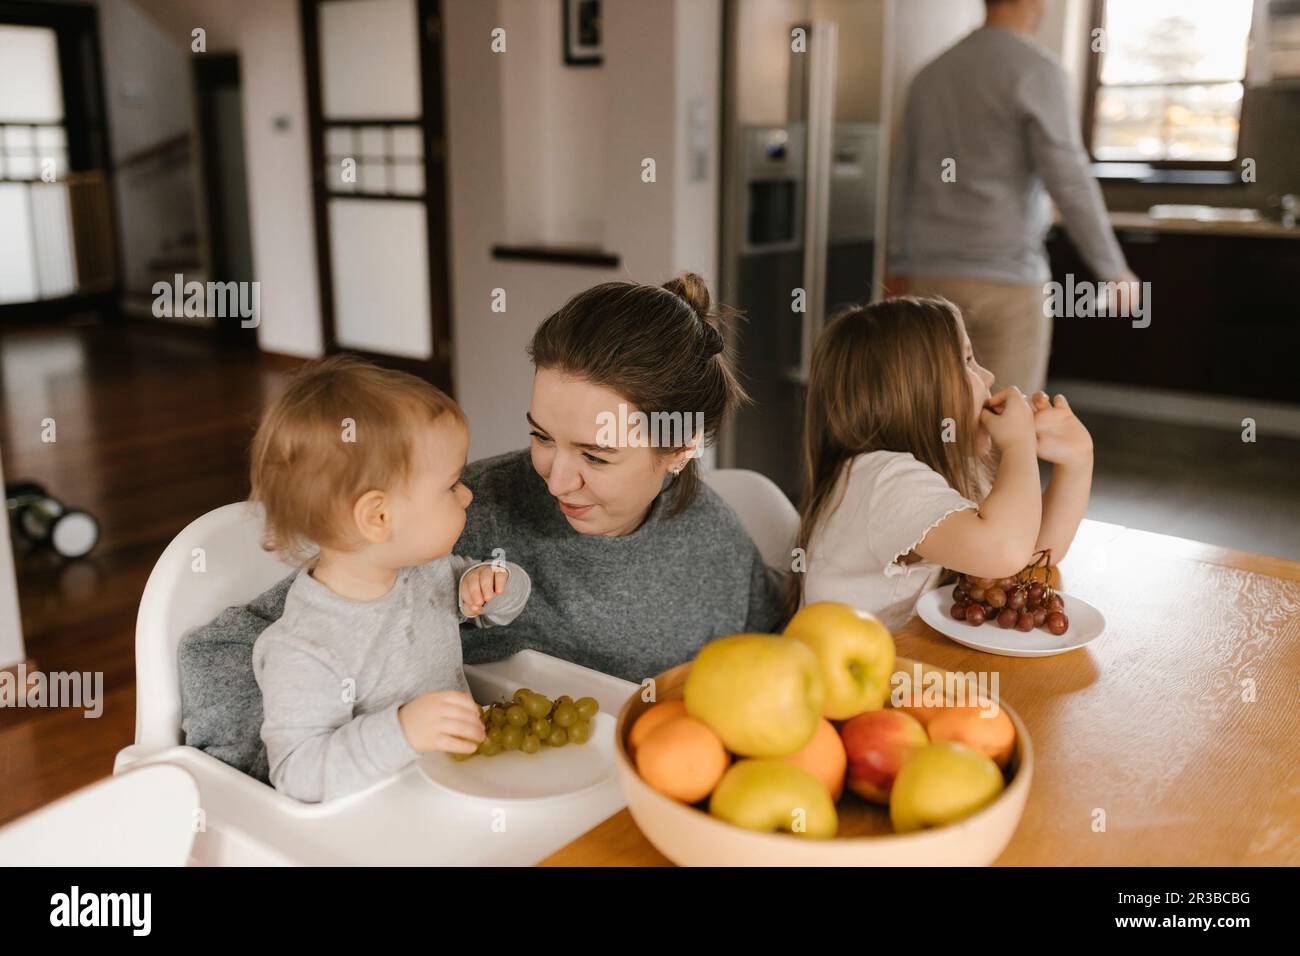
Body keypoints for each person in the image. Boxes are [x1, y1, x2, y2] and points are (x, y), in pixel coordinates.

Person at [180, 273, 788, 783]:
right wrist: (289, 785)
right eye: (541, 437)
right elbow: (229, 646)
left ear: (680, 448)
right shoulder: (452, 516)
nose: (555, 480)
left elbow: (775, 657)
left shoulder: (715, 544)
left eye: (596, 457)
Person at [247, 356, 529, 802]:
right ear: (379, 517)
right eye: (452, 484)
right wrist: (402, 732)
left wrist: (493, 583)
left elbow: (505, 608)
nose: (469, 493)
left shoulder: (426, 572)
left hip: (457, 786)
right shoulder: (305, 647)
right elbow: (298, 773)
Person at [791, 296, 1093, 631]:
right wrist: (1018, 446)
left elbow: (1030, 554)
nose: (989, 375)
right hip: (845, 678)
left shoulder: (945, 471)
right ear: (915, 392)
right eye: (966, 360)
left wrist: (1076, 463)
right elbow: (1005, 552)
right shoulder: (885, 481)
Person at [885, 0, 1138, 396]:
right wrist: (1114, 270)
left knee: (929, 418)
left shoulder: (930, 75)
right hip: (1007, 283)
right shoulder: (1038, 70)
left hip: (929, 278)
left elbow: (901, 176)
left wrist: (897, 261)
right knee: (1007, 425)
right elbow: (1069, 179)